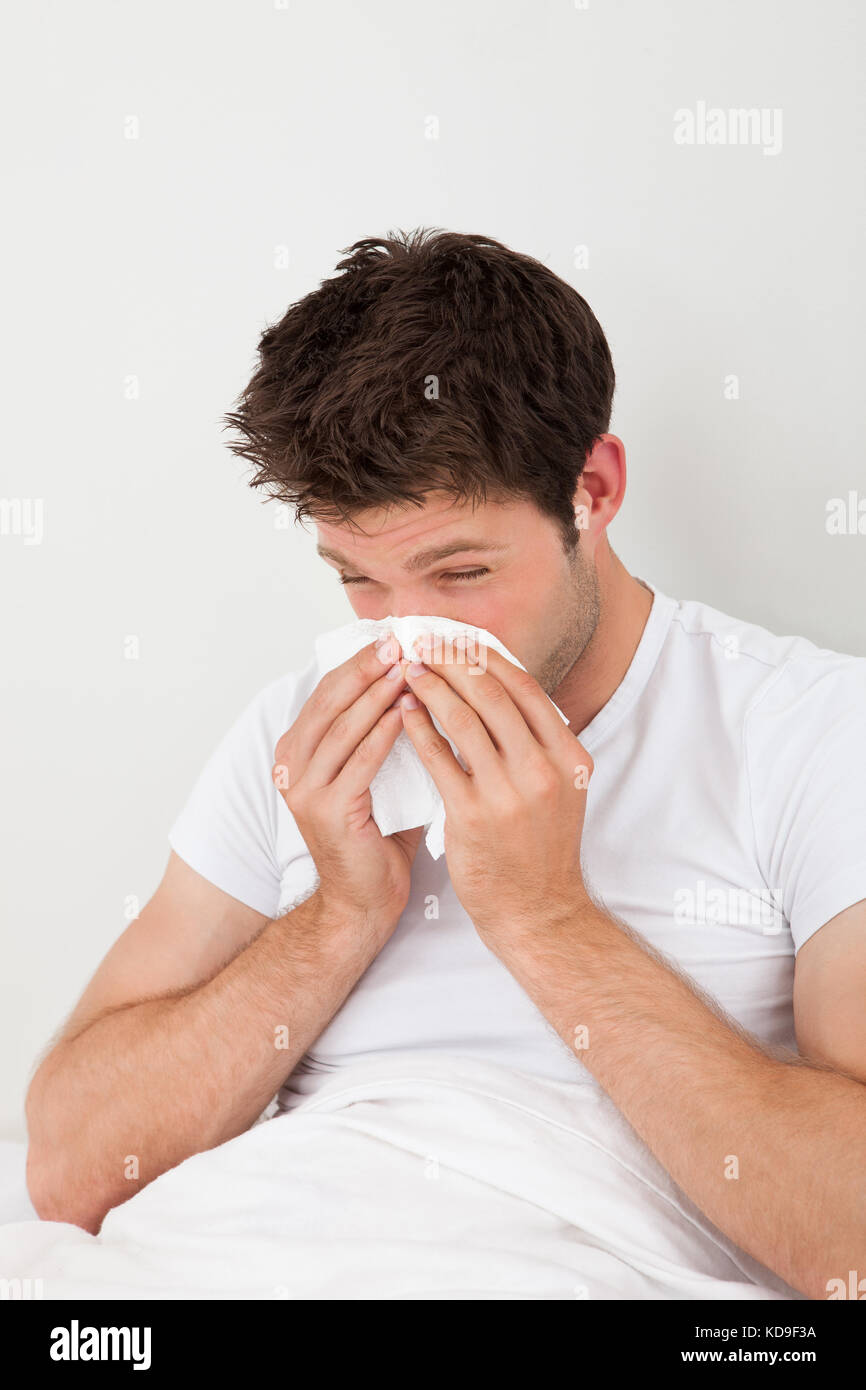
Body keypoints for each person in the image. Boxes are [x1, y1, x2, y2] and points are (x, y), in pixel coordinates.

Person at [24, 228, 866, 1300]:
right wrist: (336, 914)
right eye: (357, 584)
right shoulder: (300, 738)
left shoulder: (807, 732)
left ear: (591, 491)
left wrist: (544, 916)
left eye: (458, 570)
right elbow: (72, 1168)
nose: (402, 635)